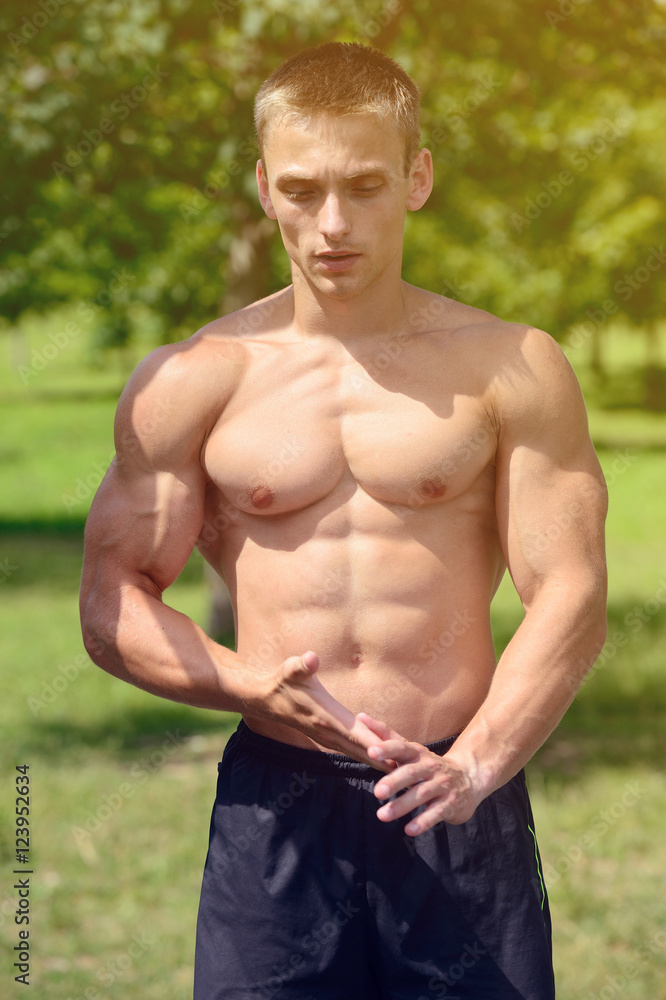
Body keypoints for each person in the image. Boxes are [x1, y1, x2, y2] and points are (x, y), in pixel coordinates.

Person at [80, 41, 608, 1000]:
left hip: (456, 798)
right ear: (263, 186)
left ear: (418, 178)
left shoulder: (513, 367)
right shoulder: (192, 381)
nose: (332, 224)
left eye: (365, 185)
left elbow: (570, 588)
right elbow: (112, 598)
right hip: (276, 806)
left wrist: (480, 763)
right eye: (302, 188)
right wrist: (241, 680)